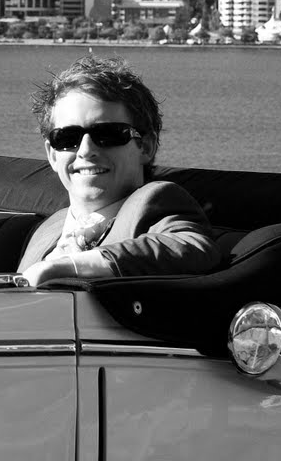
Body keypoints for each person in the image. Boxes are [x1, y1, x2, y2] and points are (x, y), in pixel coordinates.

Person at [19, 55, 220, 287]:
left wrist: (70, 267)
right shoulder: (46, 230)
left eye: (108, 134)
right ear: (53, 154)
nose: (85, 150)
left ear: (145, 146)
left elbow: (192, 246)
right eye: (67, 138)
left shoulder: (156, 202)